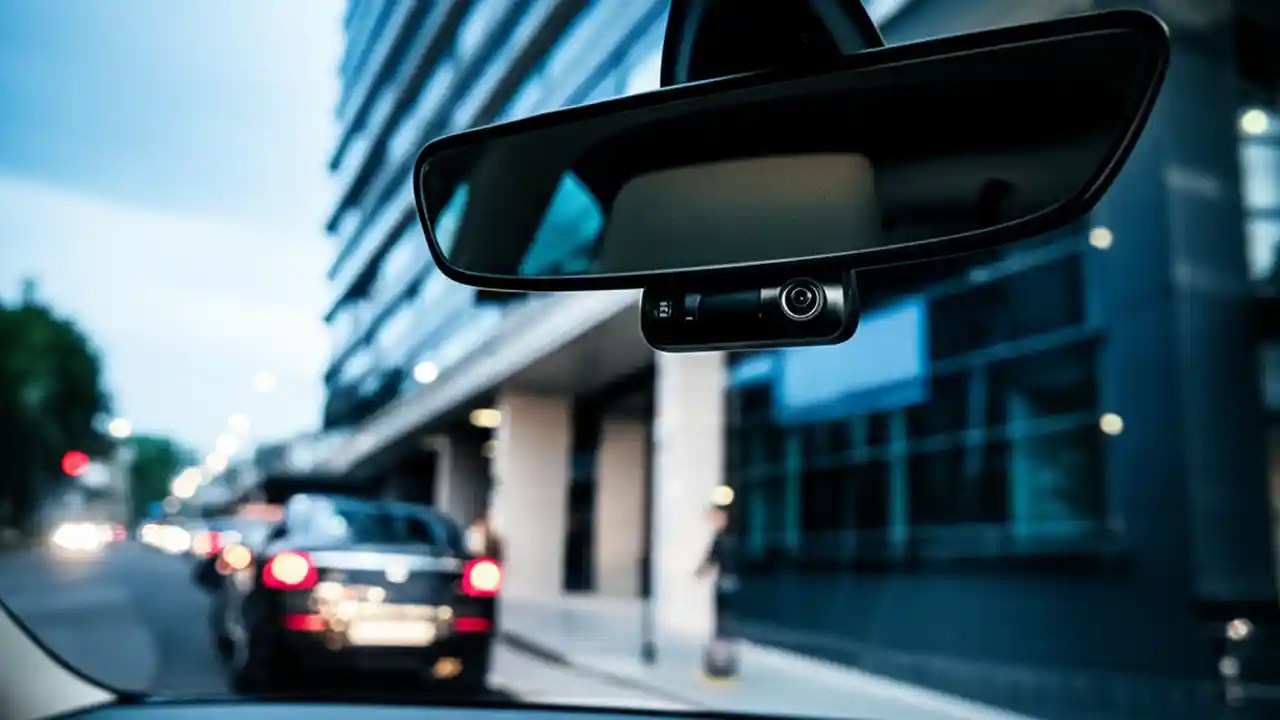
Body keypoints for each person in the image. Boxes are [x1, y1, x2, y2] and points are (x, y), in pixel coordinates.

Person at [696, 504, 741, 677]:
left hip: (726, 583)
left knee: (723, 624)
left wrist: (700, 572)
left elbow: (711, 559)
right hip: (732, 583)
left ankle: (721, 662)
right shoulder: (730, 537)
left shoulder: (723, 538)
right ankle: (724, 660)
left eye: (716, 517)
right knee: (726, 623)